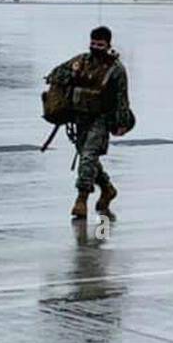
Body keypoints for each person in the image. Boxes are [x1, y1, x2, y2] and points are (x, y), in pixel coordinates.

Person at [47, 26, 133, 220]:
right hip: (80, 118)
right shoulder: (81, 61)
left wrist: (121, 122)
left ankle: (81, 199)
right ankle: (107, 188)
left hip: (101, 118)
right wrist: (70, 76)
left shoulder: (116, 69)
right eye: (93, 43)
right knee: (88, 158)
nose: (95, 47)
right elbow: (54, 75)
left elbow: (122, 98)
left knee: (87, 156)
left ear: (108, 45)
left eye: (100, 44)